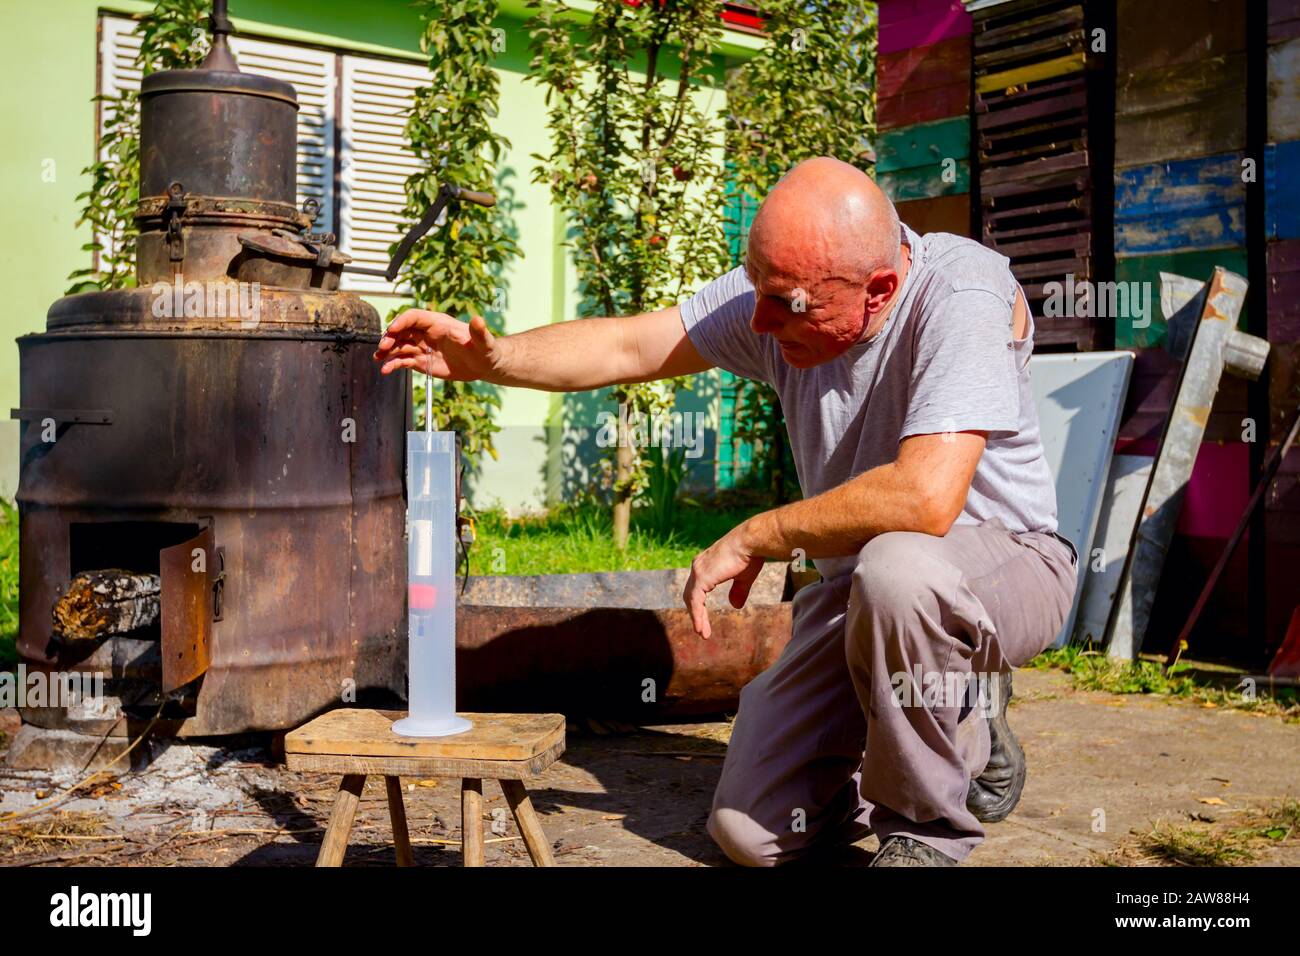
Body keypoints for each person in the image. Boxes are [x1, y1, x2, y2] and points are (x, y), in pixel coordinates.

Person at [373, 156, 1078, 867]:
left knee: (899, 571)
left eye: (788, 304)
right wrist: (495, 361)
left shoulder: (961, 292)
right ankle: (956, 727)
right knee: (754, 834)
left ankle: (925, 833)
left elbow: (925, 498)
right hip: (863, 591)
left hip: (1002, 566)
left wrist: (761, 531)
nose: (761, 322)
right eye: (756, 290)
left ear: (881, 289)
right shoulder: (776, 299)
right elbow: (628, 344)